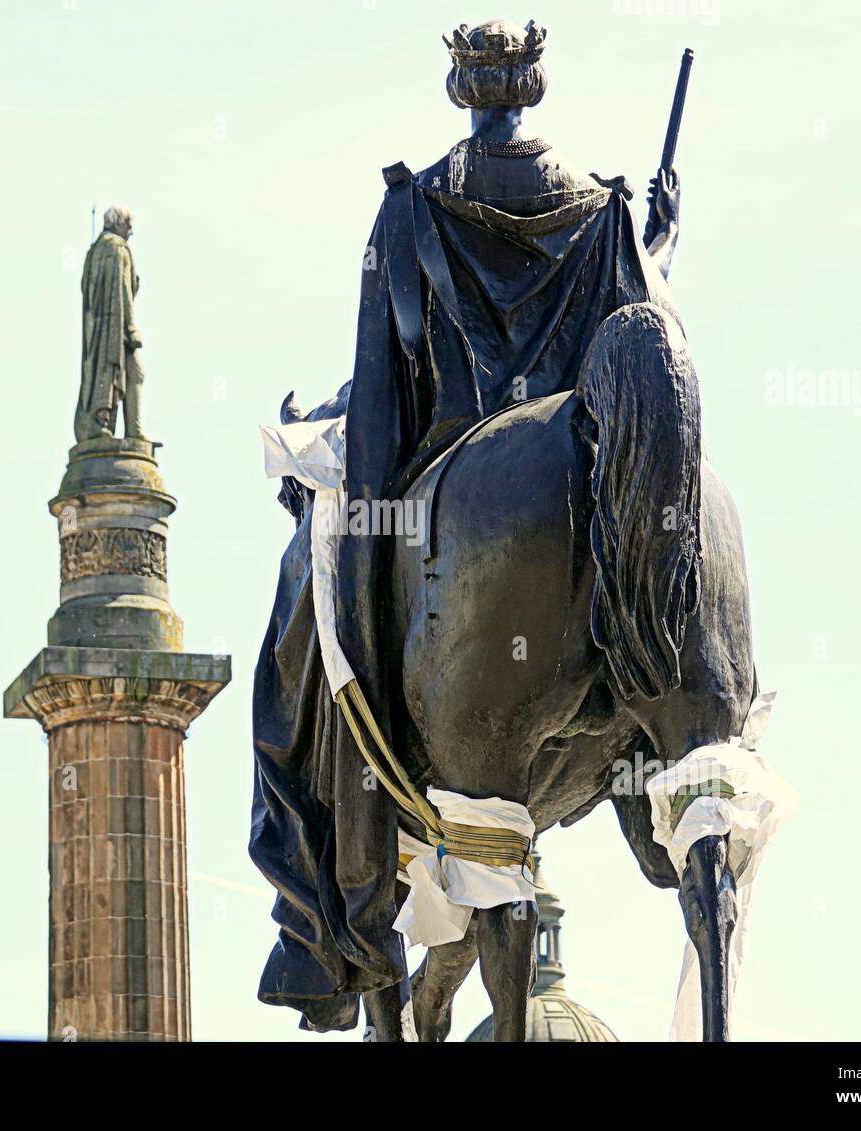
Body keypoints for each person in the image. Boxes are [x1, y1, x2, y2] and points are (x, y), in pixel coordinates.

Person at [251, 19, 684, 1032]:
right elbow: (639, 342)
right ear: (532, 86)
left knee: (295, 635)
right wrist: (657, 243)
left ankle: (325, 916)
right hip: (584, 477)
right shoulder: (604, 206)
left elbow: (394, 358)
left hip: (443, 451)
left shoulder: (411, 204)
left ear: (462, 89)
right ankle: (693, 748)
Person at [75, 205, 146, 441]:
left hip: (96, 333)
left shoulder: (93, 252)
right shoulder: (118, 249)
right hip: (115, 332)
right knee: (133, 371)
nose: (131, 232)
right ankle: (130, 430)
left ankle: (112, 424)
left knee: (105, 374)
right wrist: (131, 329)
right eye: (128, 225)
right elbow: (123, 291)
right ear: (117, 223)